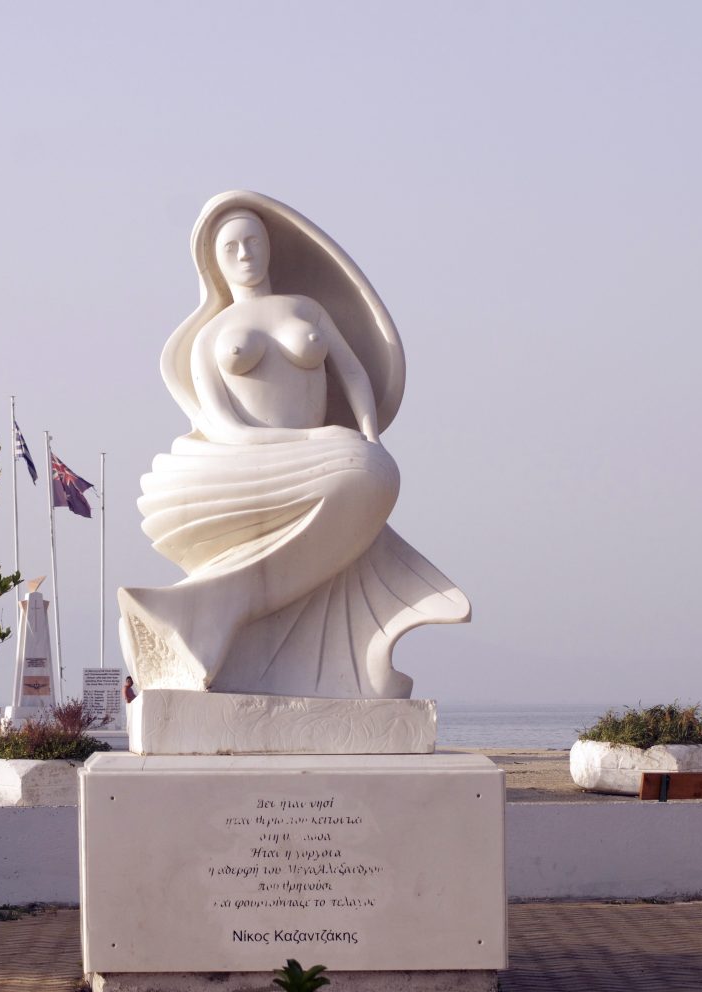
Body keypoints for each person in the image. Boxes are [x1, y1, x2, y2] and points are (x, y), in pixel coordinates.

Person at [118, 191, 469, 700]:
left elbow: (351, 370)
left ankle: (200, 612)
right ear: (214, 264)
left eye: (253, 242)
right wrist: (309, 440)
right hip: (252, 458)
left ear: (269, 247)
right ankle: (209, 613)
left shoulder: (306, 309)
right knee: (364, 476)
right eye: (231, 247)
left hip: (327, 453)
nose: (245, 255)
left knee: (375, 473)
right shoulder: (208, 337)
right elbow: (221, 424)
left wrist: (368, 431)